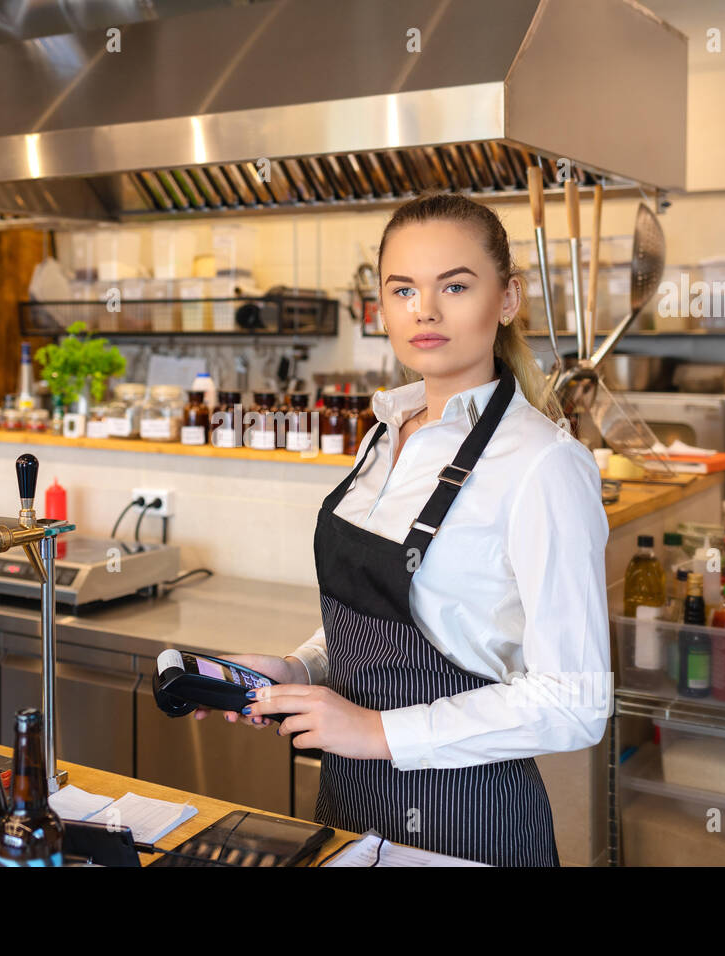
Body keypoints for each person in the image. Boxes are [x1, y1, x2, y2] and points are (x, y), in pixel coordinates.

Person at [195, 192, 610, 866]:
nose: (425, 310)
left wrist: (375, 731)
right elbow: (390, 615)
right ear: (381, 306)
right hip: (347, 810)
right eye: (403, 289)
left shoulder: (543, 464)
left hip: (470, 824)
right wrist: (300, 666)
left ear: (507, 299)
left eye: (455, 285)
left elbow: (575, 704)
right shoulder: (386, 434)